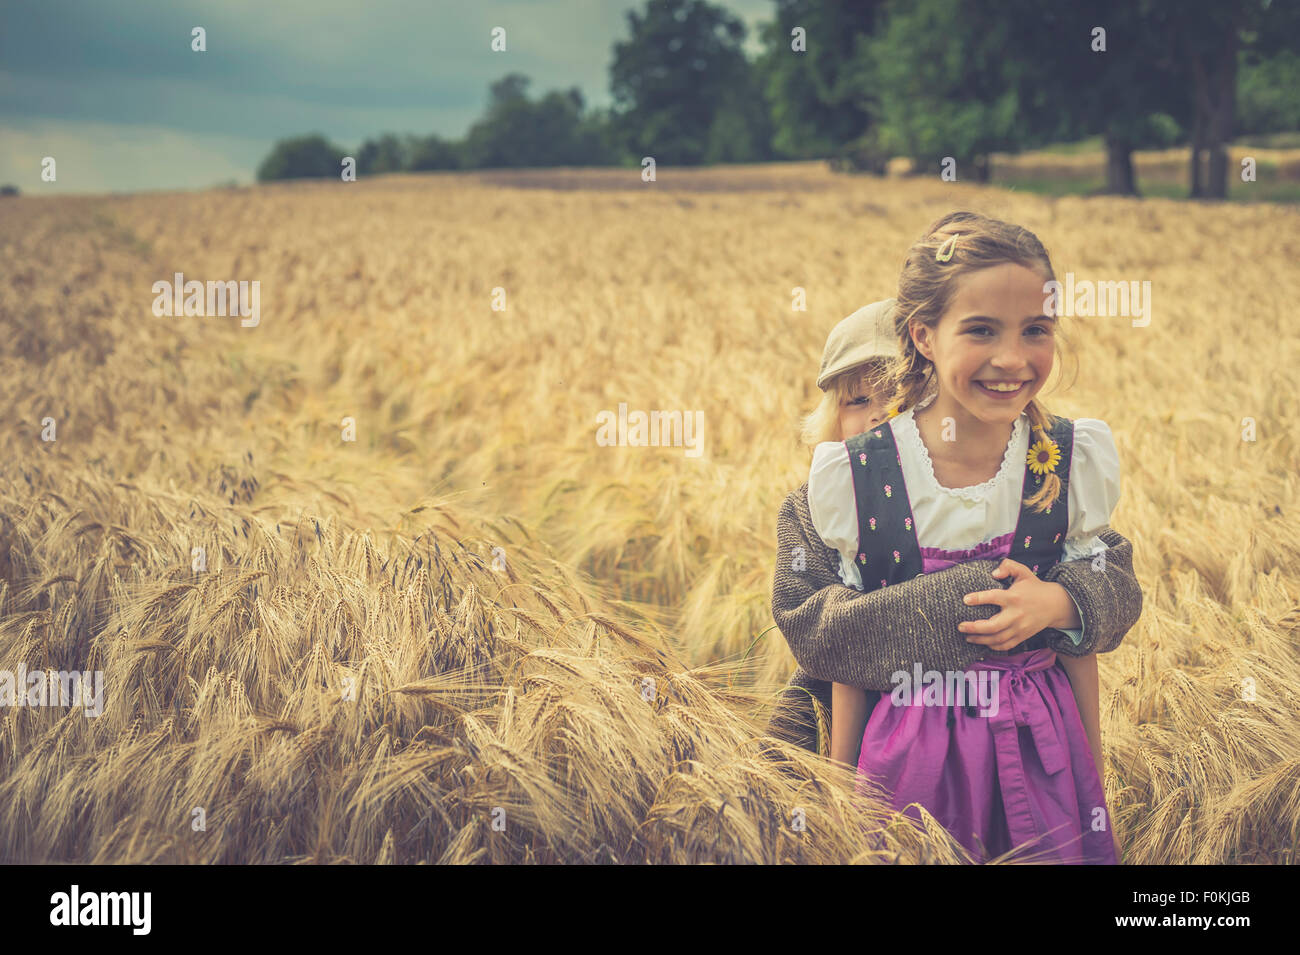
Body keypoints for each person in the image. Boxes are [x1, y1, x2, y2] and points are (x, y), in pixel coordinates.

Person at [803, 211, 1137, 863]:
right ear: (922, 334)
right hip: (908, 768)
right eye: (981, 330)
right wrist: (842, 806)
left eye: (1035, 331)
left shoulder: (1068, 459)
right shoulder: (863, 473)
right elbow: (849, 654)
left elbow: (1082, 655)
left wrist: (1062, 605)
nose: (1012, 359)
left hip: (1045, 754)